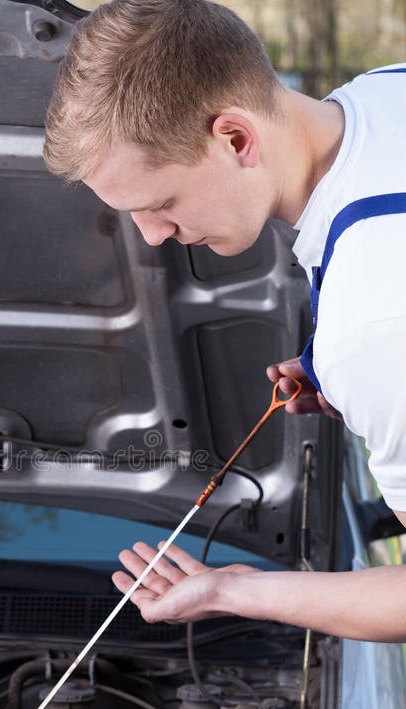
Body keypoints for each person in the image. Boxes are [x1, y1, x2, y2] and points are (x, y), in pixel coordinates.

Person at [43, 0, 406, 642]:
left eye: (160, 203)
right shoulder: (386, 91)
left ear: (236, 139)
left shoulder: (375, 331)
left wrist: (233, 589)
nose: (152, 236)